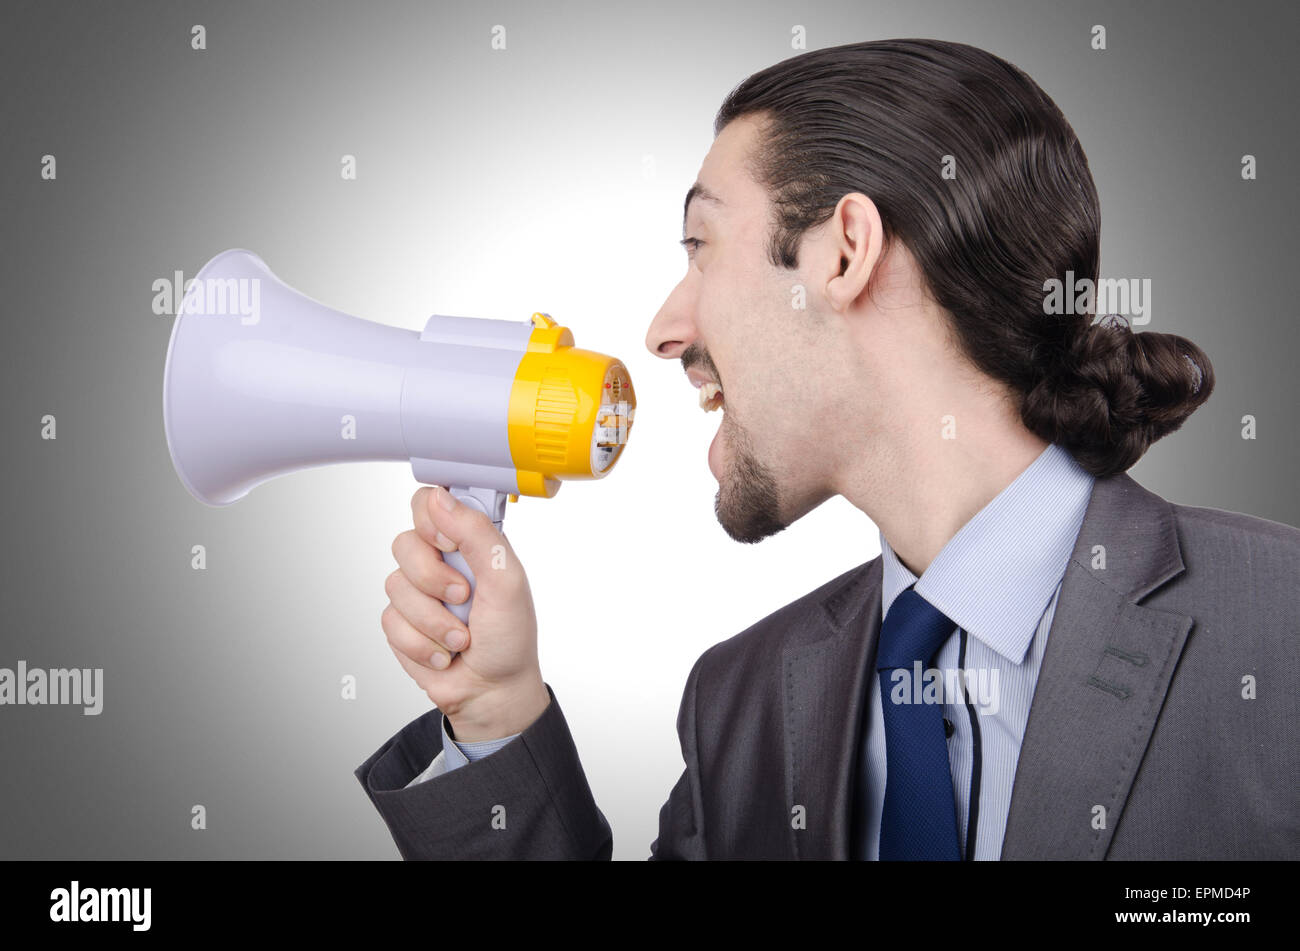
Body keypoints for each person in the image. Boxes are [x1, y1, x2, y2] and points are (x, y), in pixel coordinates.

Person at [356, 39, 1299, 860]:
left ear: (844, 252)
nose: (663, 328)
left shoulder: (1277, 631)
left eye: (701, 245)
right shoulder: (744, 701)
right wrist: (495, 710)